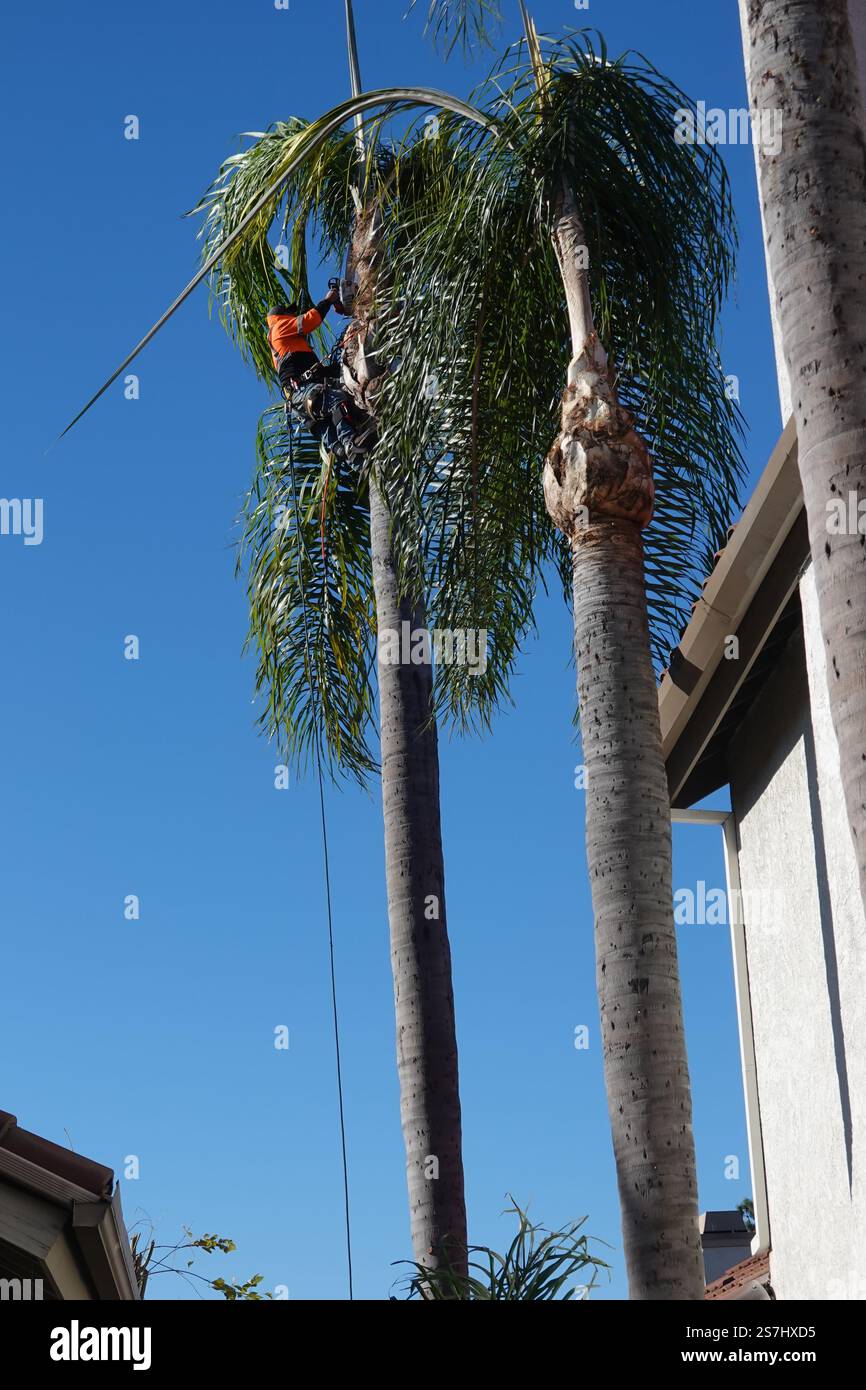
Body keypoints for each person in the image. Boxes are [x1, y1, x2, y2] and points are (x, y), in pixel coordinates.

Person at [266, 286, 366, 460]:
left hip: (300, 400)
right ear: (283, 316)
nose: (293, 317)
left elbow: (314, 372)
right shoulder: (279, 328)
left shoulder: (291, 346)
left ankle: (359, 464)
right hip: (304, 392)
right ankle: (349, 442)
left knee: (330, 430)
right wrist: (329, 300)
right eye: (291, 315)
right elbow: (309, 321)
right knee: (336, 399)